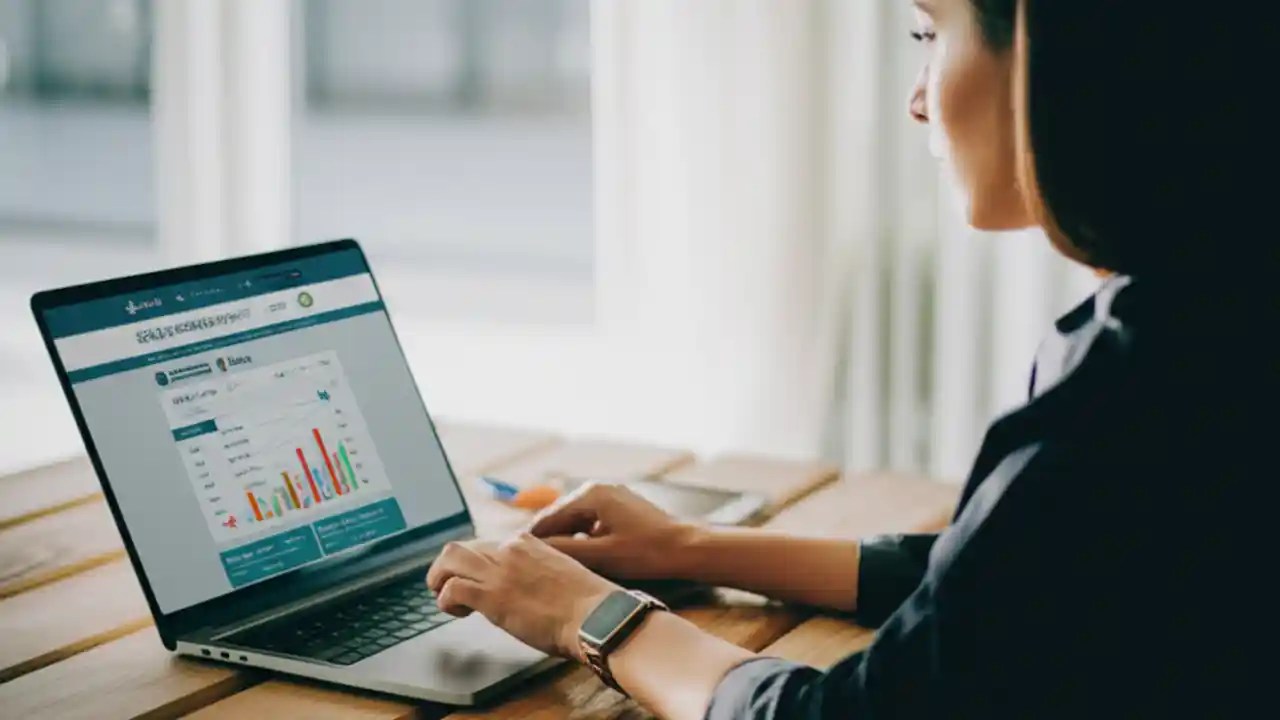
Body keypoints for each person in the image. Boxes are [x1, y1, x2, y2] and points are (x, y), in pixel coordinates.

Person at [426, 1, 1272, 717]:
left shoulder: (1136, 397)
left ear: (1063, 59)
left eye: (931, 35)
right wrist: (691, 547)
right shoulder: (1210, 314)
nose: (917, 99)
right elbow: (1007, 593)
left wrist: (589, 614)